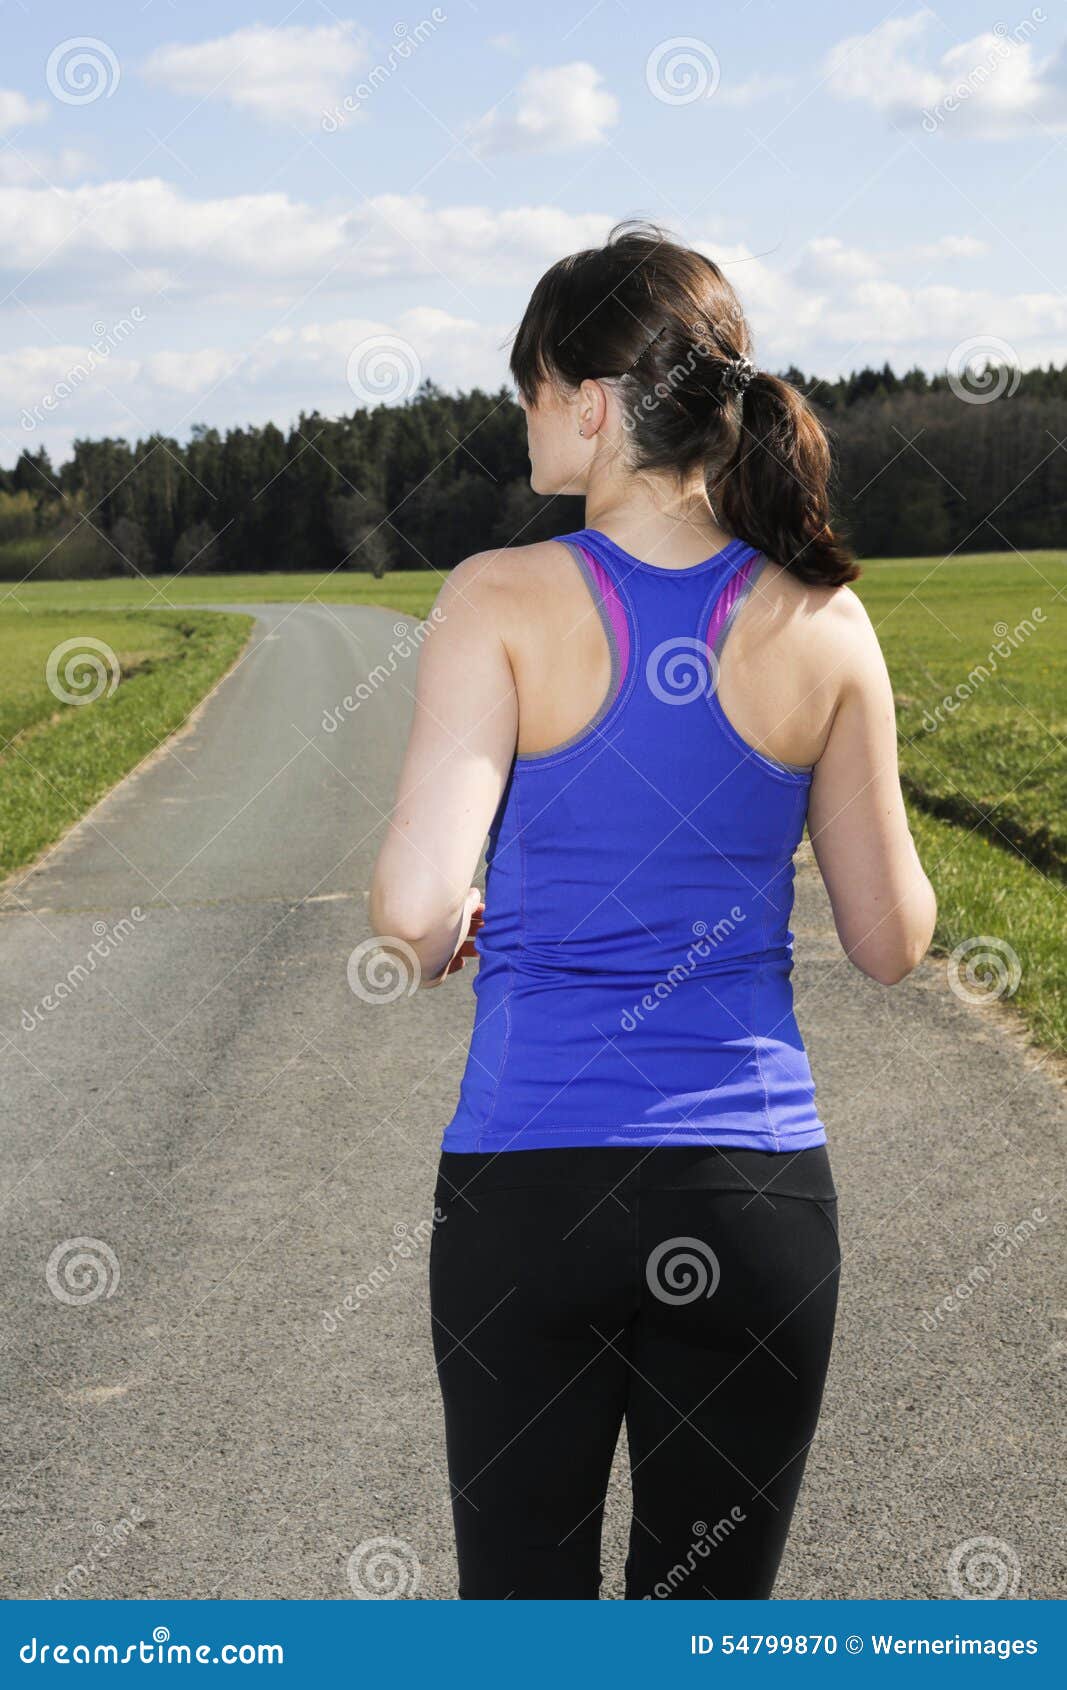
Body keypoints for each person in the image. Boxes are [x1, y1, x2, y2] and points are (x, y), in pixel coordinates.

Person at [369, 221, 936, 1600]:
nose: (522, 419)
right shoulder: (825, 619)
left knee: (526, 1628)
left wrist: (455, 923)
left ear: (595, 406)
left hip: (529, 1189)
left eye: (530, 388)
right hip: (753, 1196)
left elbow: (409, 906)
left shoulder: (495, 599)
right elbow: (892, 938)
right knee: (702, 1632)